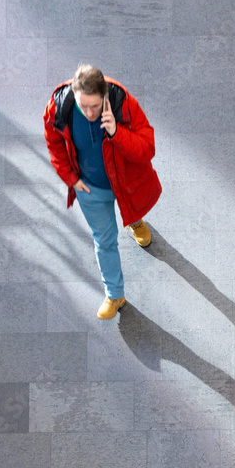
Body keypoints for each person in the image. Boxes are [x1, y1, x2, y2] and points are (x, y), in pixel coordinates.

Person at [43, 64, 161, 319]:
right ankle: (115, 295)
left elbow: (147, 148)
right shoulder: (59, 106)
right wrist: (71, 179)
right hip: (90, 189)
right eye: (82, 105)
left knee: (131, 208)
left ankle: (135, 222)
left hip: (125, 182)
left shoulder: (124, 103)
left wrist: (117, 132)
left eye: (94, 106)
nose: (88, 113)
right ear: (74, 94)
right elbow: (53, 143)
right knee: (104, 241)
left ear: (104, 96)